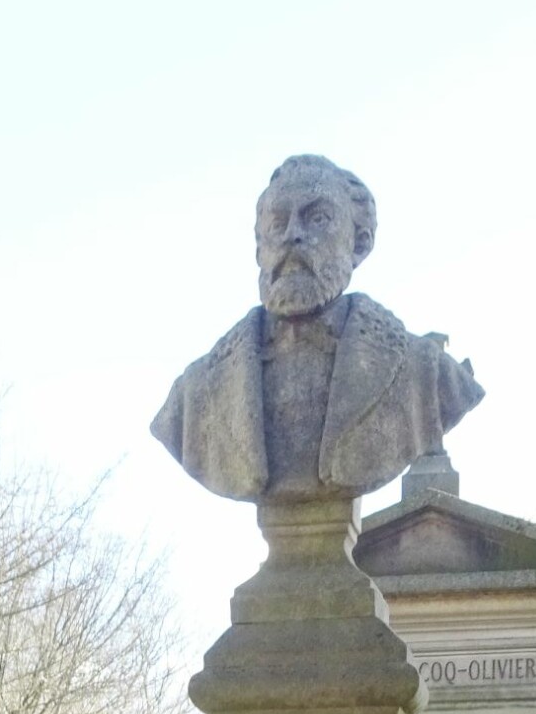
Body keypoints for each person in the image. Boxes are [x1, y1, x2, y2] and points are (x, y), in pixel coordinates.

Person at [151, 153, 483, 503]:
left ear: (360, 242)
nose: (293, 235)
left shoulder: (425, 373)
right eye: (278, 224)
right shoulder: (194, 395)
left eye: (317, 218)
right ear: (259, 246)